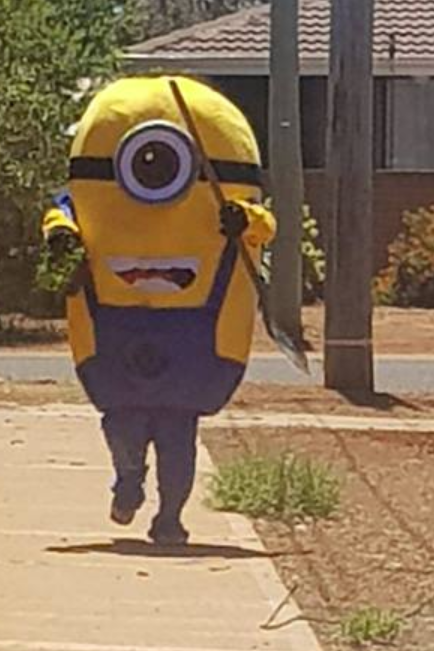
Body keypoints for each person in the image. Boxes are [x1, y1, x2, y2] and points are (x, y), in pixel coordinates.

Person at [42, 75, 275, 545]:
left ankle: (170, 516)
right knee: (123, 422)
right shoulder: (81, 191)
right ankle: (128, 482)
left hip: (198, 333)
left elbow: (263, 225)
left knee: (177, 438)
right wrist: (61, 236)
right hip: (112, 321)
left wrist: (244, 219)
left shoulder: (226, 189)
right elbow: (60, 212)